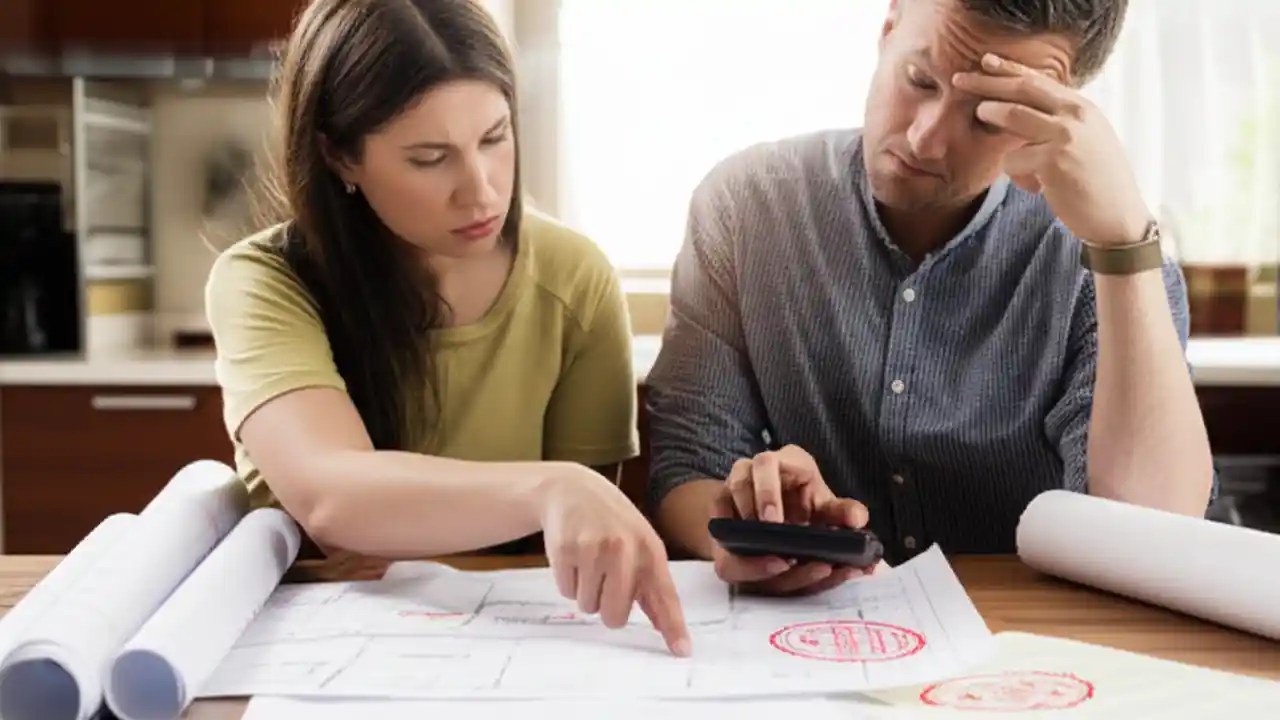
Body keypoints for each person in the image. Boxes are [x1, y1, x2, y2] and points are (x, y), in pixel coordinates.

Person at [646, 0, 1216, 596]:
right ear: (889, 28)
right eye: (919, 80)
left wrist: (1123, 244)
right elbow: (689, 465)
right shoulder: (747, 207)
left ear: (1060, 114)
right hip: (812, 635)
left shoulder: (1109, 258)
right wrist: (751, 531)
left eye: (990, 117)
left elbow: (1155, 532)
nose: (926, 138)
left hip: (1035, 642)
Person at [204, 0, 689, 655]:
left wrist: (563, 500)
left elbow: (575, 544)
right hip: (312, 644)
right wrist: (550, 486)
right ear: (340, 157)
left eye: (495, 137)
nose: (482, 192)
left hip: (511, 639)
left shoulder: (574, 276)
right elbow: (332, 498)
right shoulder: (264, 280)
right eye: (430, 158)